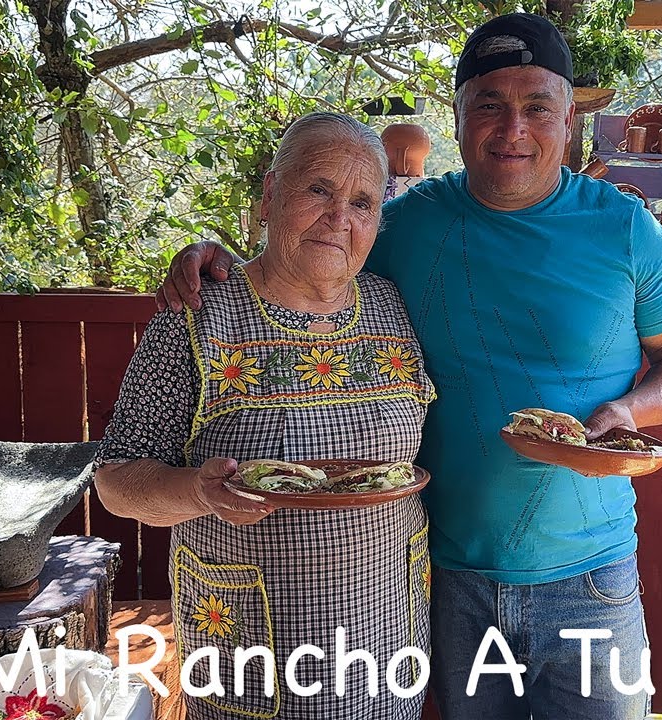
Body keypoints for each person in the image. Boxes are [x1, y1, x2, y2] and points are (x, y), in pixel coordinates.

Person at [155, 13, 662, 719]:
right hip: (448, 580)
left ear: (569, 118)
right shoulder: (407, 224)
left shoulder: (627, 229)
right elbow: (314, 260)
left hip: (591, 580)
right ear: (457, 117)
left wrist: (631, 410)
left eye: (537, 106)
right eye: (489, 104)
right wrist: (219, 264)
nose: (513, 128)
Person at [94, 111, 437, 720]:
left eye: (362, 202)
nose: (339, 217)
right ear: (270, 195)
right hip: (248, 656)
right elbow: (116, 482)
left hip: (388, 646)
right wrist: (197, 492)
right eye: (318, 190)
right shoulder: (198, 315)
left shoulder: (396, 305)